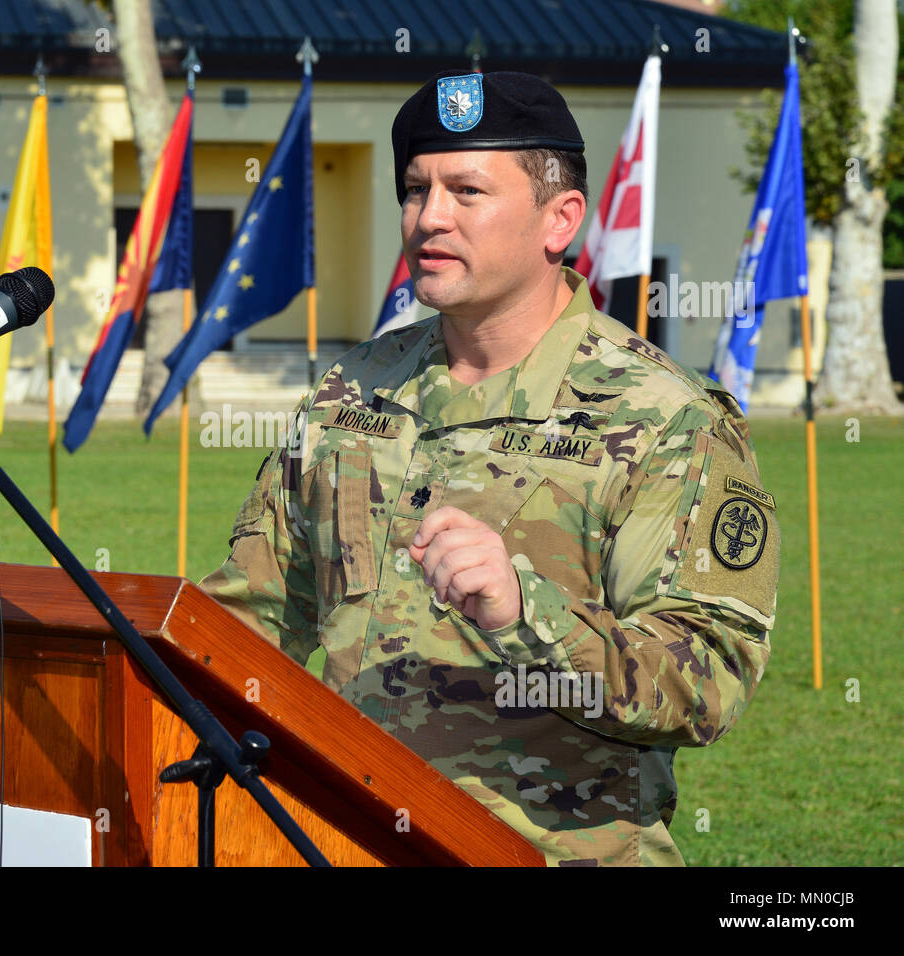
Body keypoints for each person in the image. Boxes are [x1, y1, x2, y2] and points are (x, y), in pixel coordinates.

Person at [200, 70, 778, 866]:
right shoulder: (350, 391)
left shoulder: (666, 419)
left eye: (467, 191)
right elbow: (251, 617)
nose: (429, 217)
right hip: (344, 840)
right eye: (414, 189)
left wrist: (521, 613)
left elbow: (706, 683)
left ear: (559, 220)